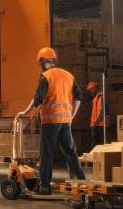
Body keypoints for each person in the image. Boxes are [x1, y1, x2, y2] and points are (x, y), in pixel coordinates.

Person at [16, 47, 85, 195]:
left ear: (42, 62)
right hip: (66, 121)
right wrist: (71, 117)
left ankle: (45, 186)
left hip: (50, 121)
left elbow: (38, 100)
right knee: (70, 152)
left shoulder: (46, 77)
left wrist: (26, 112)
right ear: (54, 60)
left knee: (47, 153)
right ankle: (81, 181)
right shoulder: (68, 75)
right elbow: (79, 97)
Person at [86, 81, 107, 147]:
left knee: (97, 147)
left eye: (92, 89)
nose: (90, 91)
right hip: (96, 126)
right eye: (89, 90)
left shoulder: (100, 97)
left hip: (99, 126)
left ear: (97, 89)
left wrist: (94, 125)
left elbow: (101, 113)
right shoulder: (95, 98)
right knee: (94, 146)